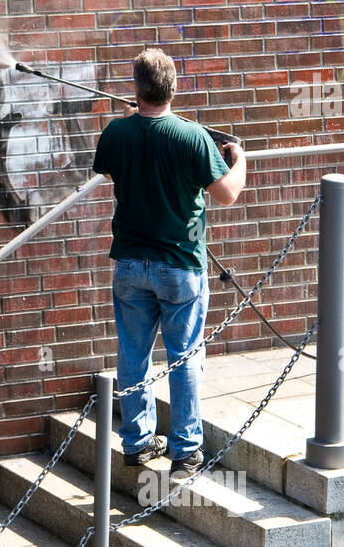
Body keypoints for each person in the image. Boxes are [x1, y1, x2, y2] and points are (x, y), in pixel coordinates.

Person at [91, 48, 246, 476]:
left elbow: (112, 174)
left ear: (137, 89)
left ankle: (137, 441)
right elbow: (227, 193)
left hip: (128, 265)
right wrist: (240, 160)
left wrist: (132, 121)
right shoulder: (193, 137)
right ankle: (185, 450)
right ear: (174, 87)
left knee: (133, 352)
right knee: (185, 356)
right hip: (180, 265)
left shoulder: (115, 133)